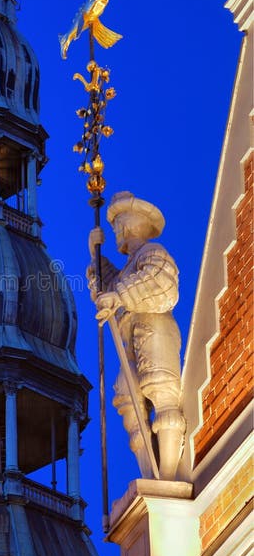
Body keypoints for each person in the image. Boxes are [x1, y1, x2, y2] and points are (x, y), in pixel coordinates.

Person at [88, 191, 186, 480]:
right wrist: (94, 253)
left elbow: (160, 282)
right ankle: (150, 474)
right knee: (129, 401)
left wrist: (118, 296)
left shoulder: (153, 253)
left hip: (154, 329)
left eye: (118, 225)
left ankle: (166, 476)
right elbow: (108, 288)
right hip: (131, 337)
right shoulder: (128, 268)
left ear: (129, 225)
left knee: (161, 392)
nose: (115, 231)